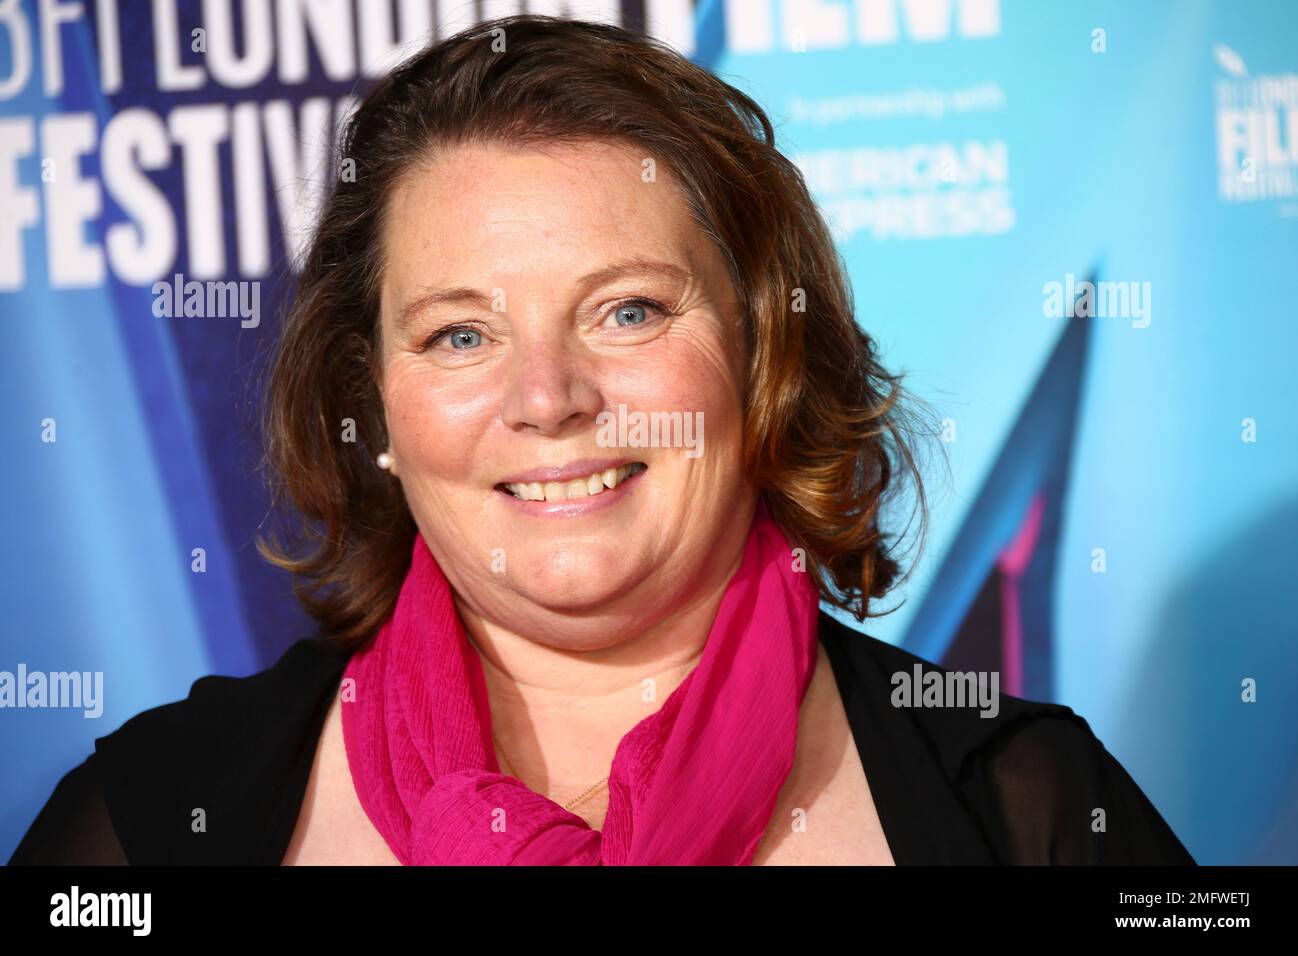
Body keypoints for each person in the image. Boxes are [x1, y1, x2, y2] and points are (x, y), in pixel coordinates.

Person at [9, 14, 1193, 866]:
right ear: (372, 404)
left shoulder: (1026, 806)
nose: (548, 396)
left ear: (761, 353)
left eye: (627, 310)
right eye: (460, 334)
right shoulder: (151, 822)